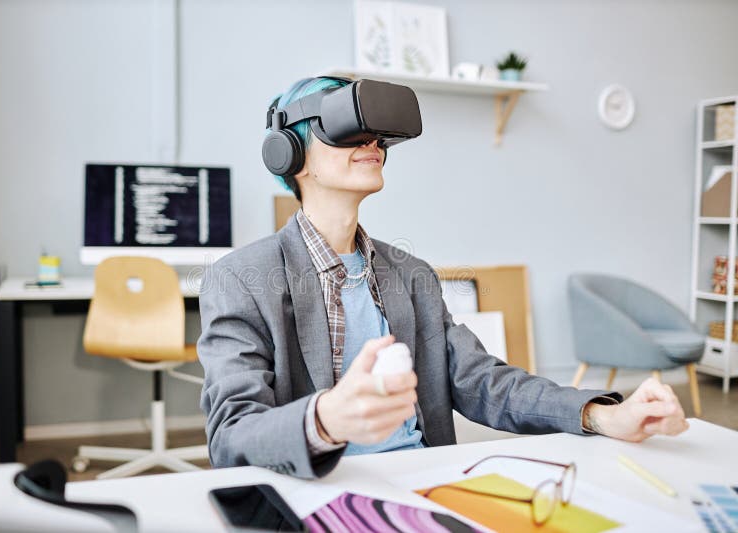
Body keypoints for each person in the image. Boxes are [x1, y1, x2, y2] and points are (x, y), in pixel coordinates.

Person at [196, 77, 688, 480]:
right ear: (290, 155)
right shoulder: (241, 279)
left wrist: (602, 414)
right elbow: (231, 436)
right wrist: (323, 420)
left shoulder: (410, 275)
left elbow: (481, 381)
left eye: (377, 135)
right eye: (345, 130)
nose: (371, 144)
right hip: (320, 493)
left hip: (423, 483)